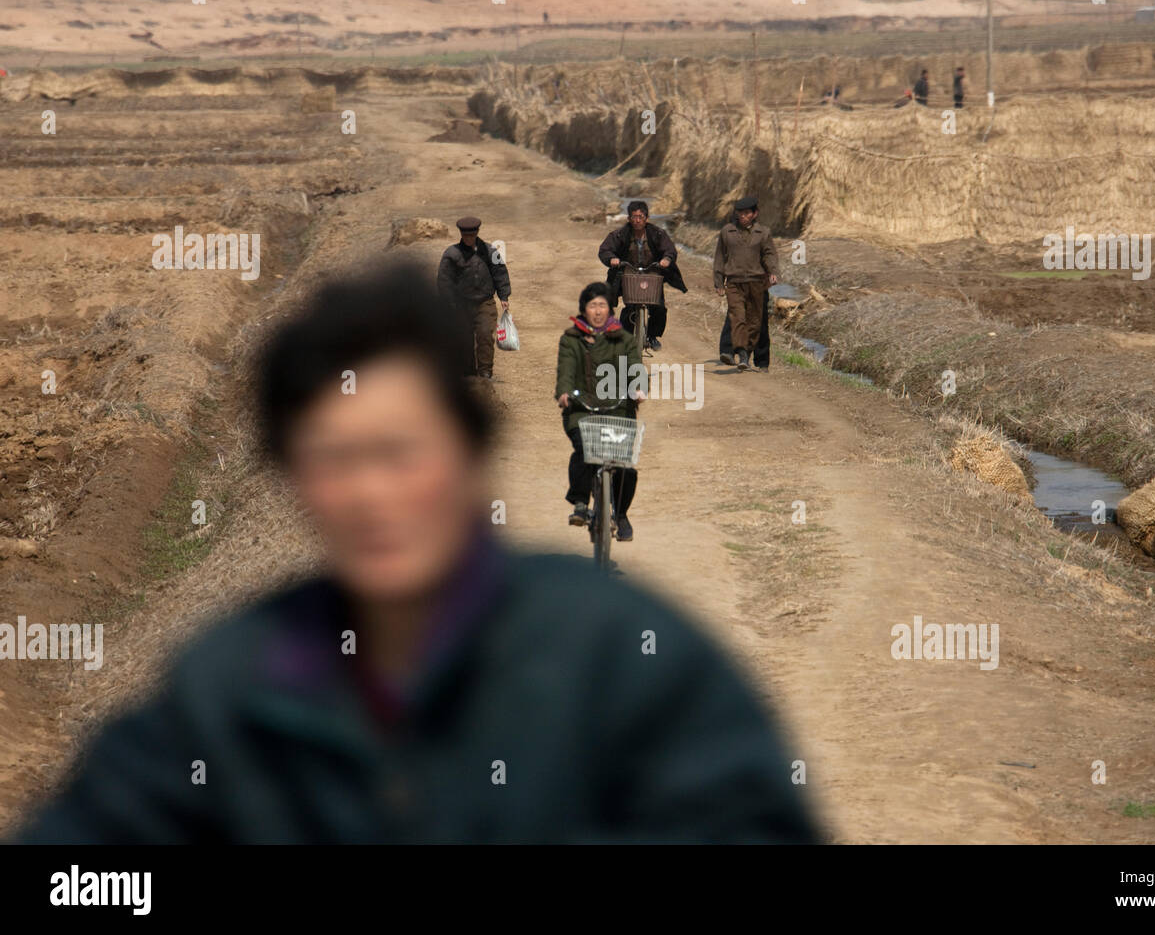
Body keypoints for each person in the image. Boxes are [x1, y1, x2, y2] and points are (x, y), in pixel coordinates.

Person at [17, 258, 819, 843]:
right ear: (291, 478)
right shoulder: (229, 691)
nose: (372, 494)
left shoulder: (630, 662)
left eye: (401, 452)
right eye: (334, 459)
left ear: (470, 452)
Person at [556, 282, 644, 541]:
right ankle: (581, 503)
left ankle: (621, 514)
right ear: (583, 309)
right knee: (584, 448)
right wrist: (564, 392)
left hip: (618, 410)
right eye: (592, 305)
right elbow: (566, 370)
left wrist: (638, 388)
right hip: (581, 410)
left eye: (602, 305)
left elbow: (635, 367)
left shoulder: (625, 340)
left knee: (625, 469)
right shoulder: (571, 339)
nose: (597, 311)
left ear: (611, 310)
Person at [597, 200, 686, 352]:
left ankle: (652, 336)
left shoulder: (657, 234)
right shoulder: (619, 234)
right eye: (634, 217)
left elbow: (670, 250)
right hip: (629, 274)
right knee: (630, 307)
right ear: (629, 219)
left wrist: (666, 259)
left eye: (641, 216)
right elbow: (605, 250)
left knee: (658, 307)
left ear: (646, 218)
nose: (637, 220)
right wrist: (612, 259)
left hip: (652, 274)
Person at [437, 216, 510, 379]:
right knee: (464, 338)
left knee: (485, 335)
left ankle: (485, 370)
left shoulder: (490, 251)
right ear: (461, 235)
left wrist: (504, 295)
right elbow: (444, 280)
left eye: (472, 235)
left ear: (477, 233)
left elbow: (500, 273)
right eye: (466, 236)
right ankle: (467, 371)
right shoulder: (452, 254)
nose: (469, 239)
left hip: (485, 302)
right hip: (460, 303)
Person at [713, 195, 778, 371]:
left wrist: (773, 272)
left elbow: (769, 255)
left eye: (747, 213)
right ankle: (742, 353)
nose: (742, 216)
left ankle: (751, 356)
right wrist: (719, 282)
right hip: (734, 283)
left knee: (756, 322)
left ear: (755, 214)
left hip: (757, 283)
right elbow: (719, 257)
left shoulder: (763, 233)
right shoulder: (727, 232)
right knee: (737, 317)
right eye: (740, 212)